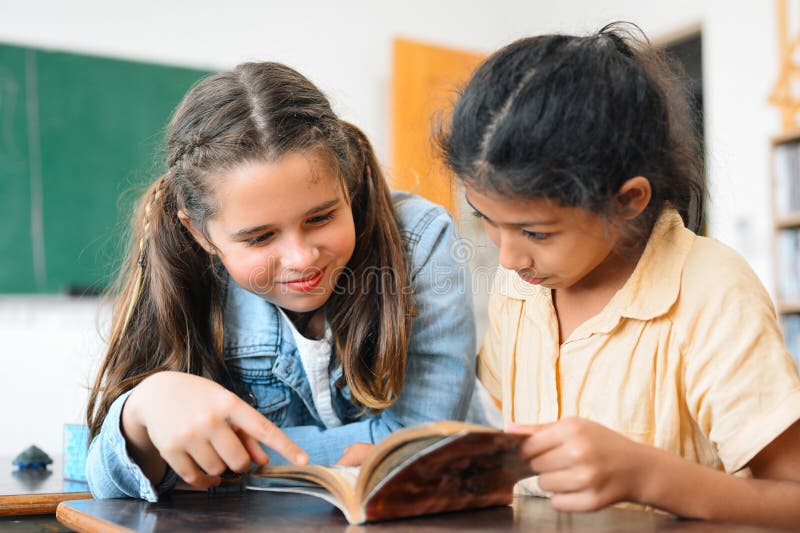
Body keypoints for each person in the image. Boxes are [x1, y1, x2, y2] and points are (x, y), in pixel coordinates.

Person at [437, 23, 800, 528]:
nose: (508, 258)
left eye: (535, 233)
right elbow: (504, 443)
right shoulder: (520, 289)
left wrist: (650, 478)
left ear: (628, 201)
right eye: (487, 222)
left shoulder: (712, 293)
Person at [86, 62, 476, 501]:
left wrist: (224, 457)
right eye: (259, 237)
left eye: (321, 217)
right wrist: (141, 412)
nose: (301, 258)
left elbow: (420, 443)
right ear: (200, 234)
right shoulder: (181, 272)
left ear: (350, 184)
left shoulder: (420, 238)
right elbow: (105, 480)